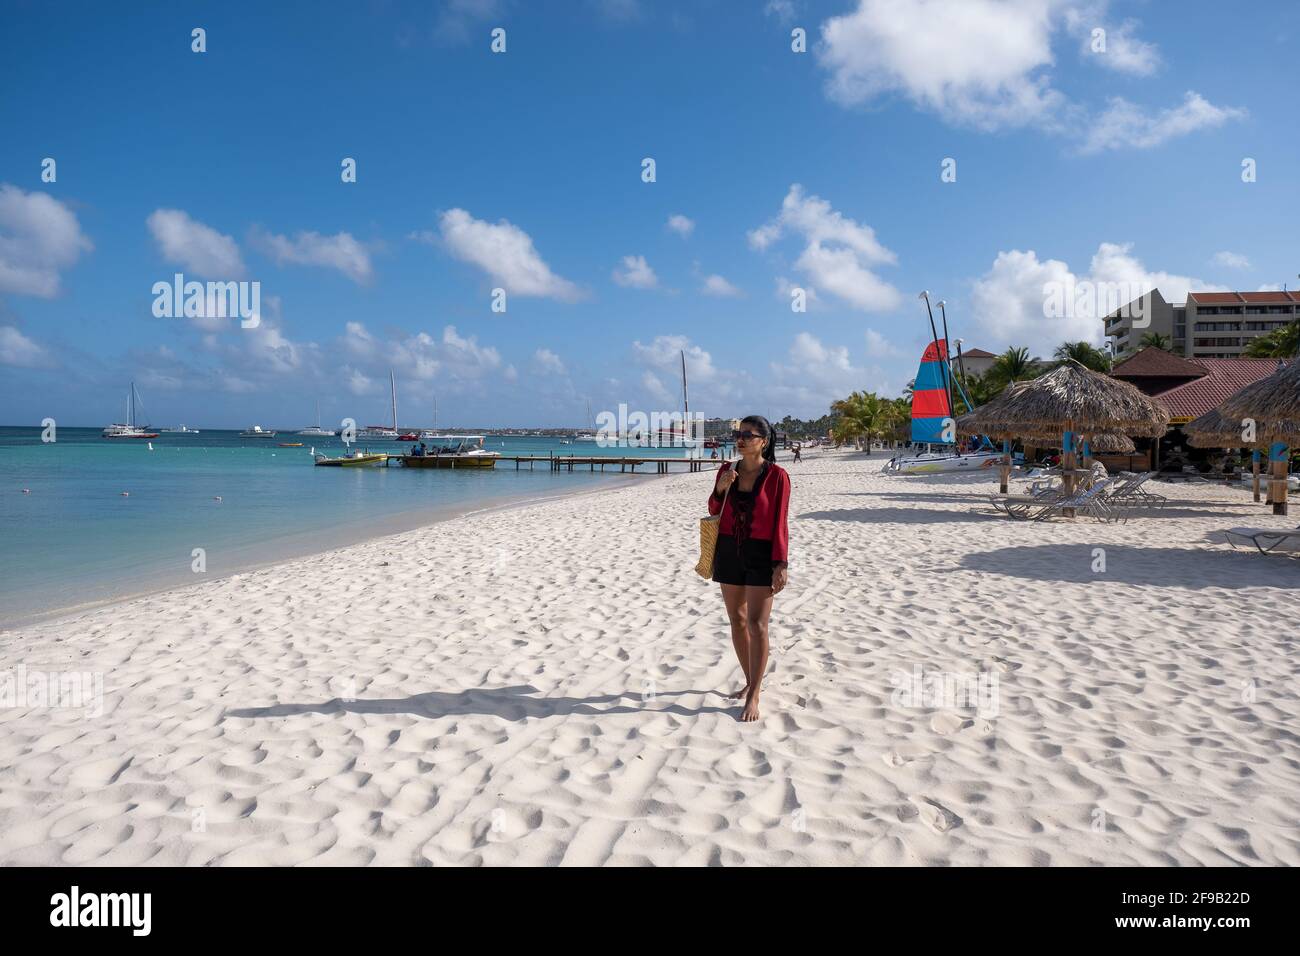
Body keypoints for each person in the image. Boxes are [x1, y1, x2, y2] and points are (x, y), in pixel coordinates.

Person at [708, 415, 790, 722]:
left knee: (758, 624)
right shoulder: (727, 470)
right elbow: (713, 508)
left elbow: (780, 521)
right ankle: (750, 681)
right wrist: (719, 489)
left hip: (762, 552)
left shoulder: (777, 476)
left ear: (763, 442)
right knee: (737, 619)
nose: (740, 439)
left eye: (748, 434)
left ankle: (754, 694)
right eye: (738, 434)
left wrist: (780, 563)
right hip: (728, 549)